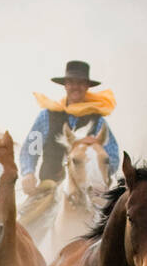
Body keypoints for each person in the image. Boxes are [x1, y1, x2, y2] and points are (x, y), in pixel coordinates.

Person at [16, 60, 121, 232]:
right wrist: (28, 172)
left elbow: (112, 157)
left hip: (88, 192)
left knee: (114, 231)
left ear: (87, 86)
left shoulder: (98, 122)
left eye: (80, 83)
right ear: (65, 85)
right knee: (23, 227)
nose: (76, 87)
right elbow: (30, 148)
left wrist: (99, 178)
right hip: (48, 189)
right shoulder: (47, 116)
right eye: (71, 82)